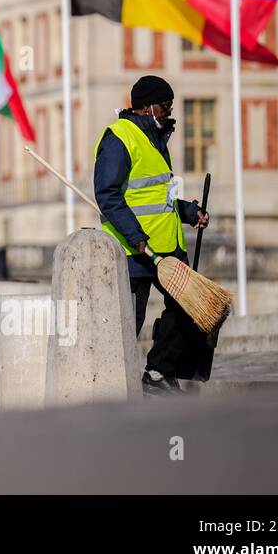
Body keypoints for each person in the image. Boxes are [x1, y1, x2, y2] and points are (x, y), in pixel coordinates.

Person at [93, 74, 213, 396]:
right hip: (134, 250)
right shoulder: (120, 137)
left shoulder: (156, 139)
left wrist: (190, 212)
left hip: (168, 248)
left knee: (189, 306)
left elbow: (161, 197)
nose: (169, 111)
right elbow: (107, 195)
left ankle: (158, 373)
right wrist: (136, 237)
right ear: (146, 107)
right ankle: (109, 385)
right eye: (165, 105)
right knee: (129, 322)